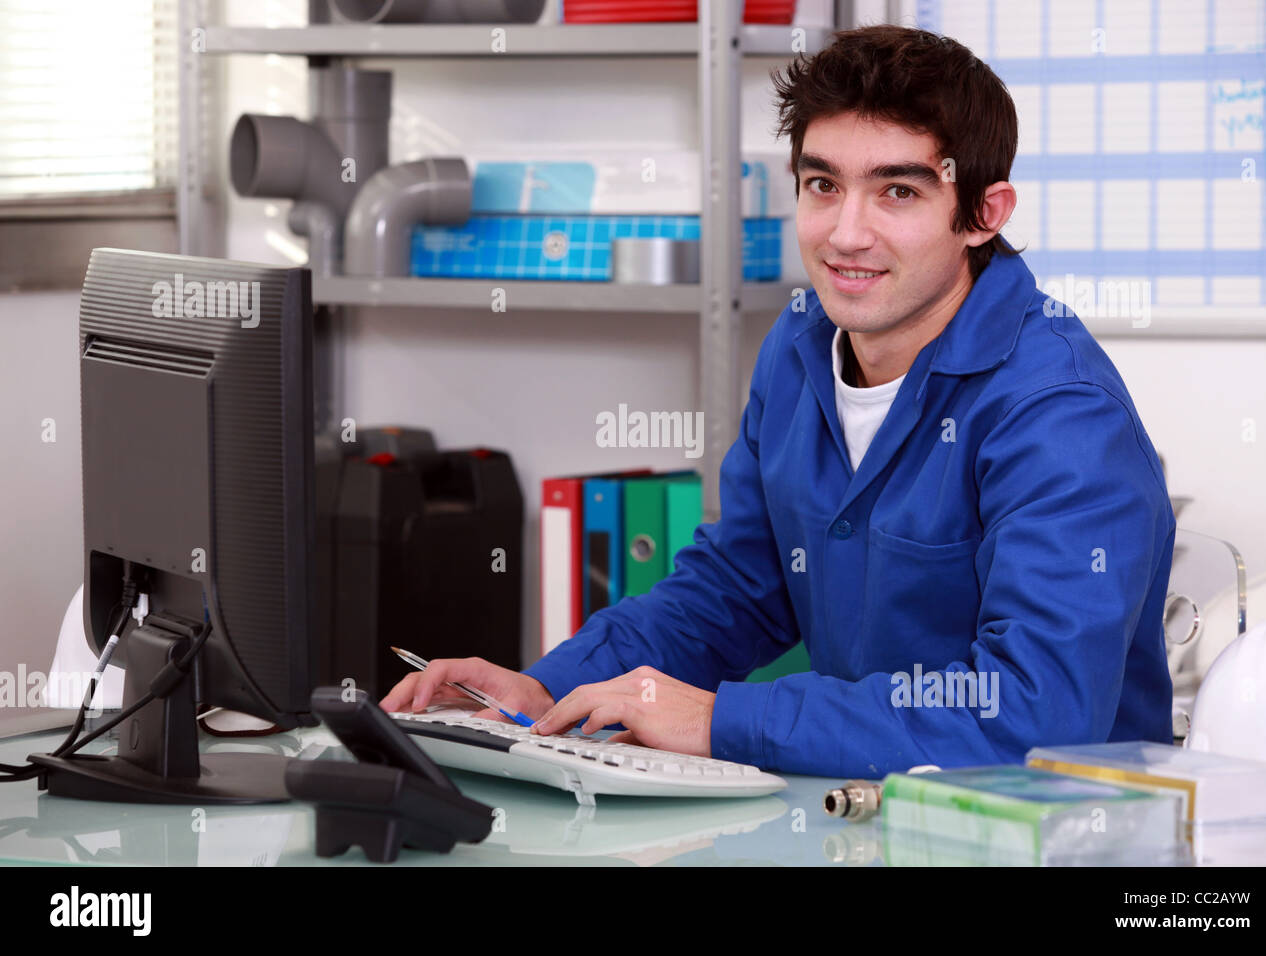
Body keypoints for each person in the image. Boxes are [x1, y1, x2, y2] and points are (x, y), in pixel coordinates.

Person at [380, 24, 1176, 778]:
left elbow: (1033, 712)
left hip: (1058, 840)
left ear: (982, 214)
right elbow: (735, 589)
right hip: (867, 821)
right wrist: (548, 689)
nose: (846, 234)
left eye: (897, 192)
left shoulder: (1060, 412)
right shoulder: (800, 349)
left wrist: (720, 721)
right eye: (823, 185)